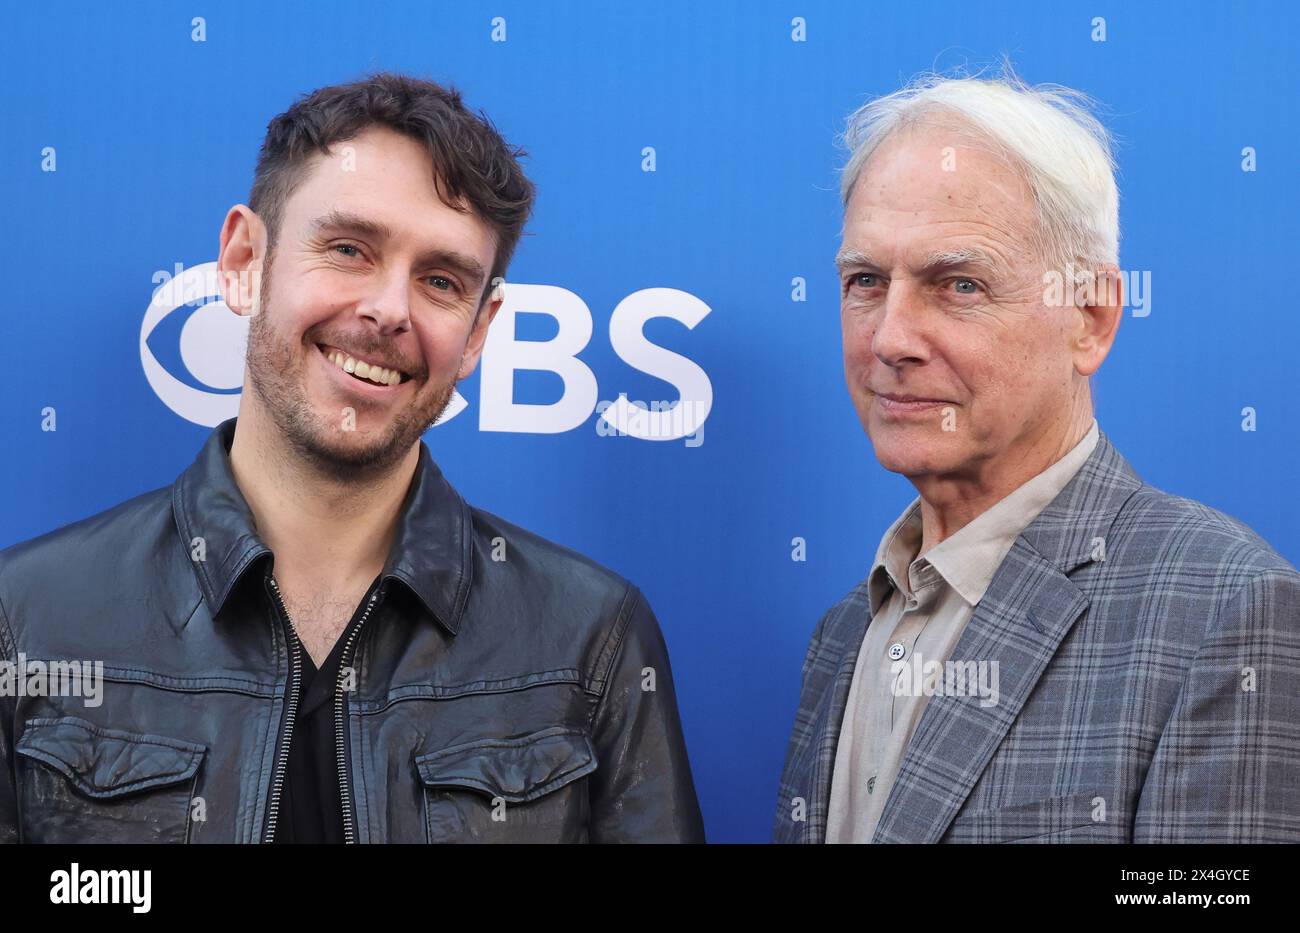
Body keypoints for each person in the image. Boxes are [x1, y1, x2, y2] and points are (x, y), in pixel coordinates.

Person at [0, 72, 704, 843]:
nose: (390, 310)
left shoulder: (590, 639)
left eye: (440, 280)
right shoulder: (28, 619)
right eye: (348, 248)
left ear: (477, 331)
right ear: (243, 260)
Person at [775, 69, 1300, 843]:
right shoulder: (845, 630)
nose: (889, 338)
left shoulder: (1225, 607)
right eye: (864, 281)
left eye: (958, 284)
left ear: (1090, 318)